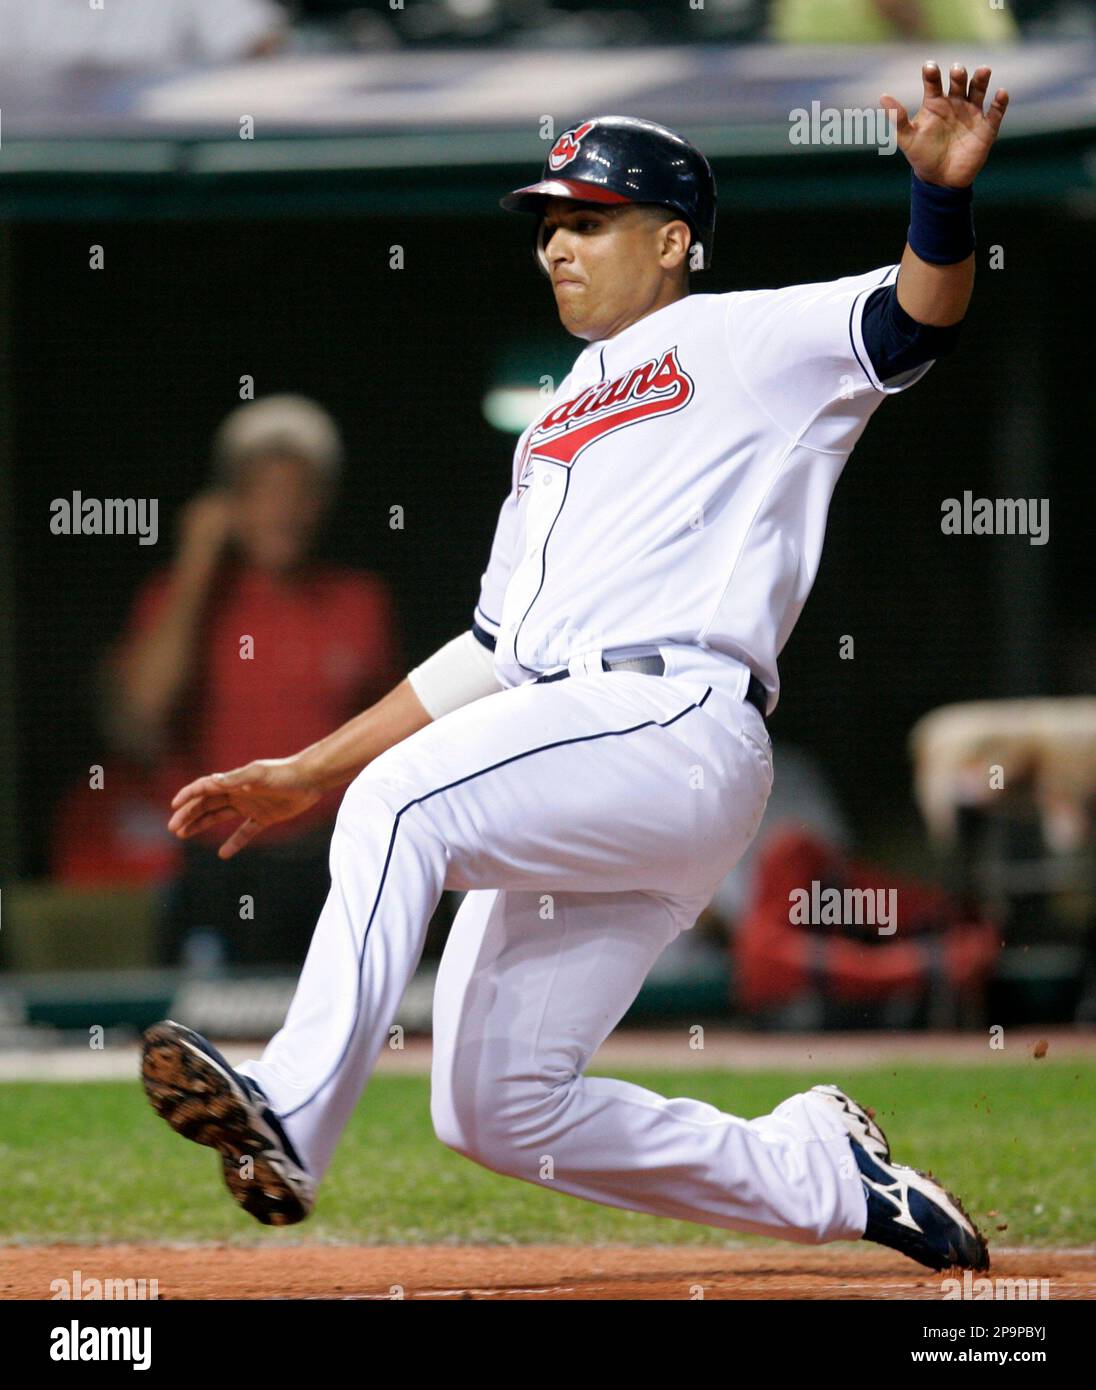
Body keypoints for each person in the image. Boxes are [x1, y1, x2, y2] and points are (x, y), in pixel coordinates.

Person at [142, 65, 1008, 1273]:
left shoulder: (738, 336)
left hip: (673, 719)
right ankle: (822, 1170)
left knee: (409, 801)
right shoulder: (550, 426)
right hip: (585, 749)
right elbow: (492, 654)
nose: (556, 243)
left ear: (670, 241)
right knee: (495, 1109)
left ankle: (289, 1105)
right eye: (549, 223)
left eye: (586, 220)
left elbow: (916, 318)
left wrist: (938, 202)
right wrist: (309, 769)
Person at [106, 395, 402, 966]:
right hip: (215, 868)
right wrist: (196, 560)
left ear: (323, 503)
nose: (283, 509)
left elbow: (396, 738)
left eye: (300, 492)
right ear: (229, 502)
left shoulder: (359, 601)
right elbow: (141, 712)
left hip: (331, 864)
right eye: (264, 491)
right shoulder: (177, 597)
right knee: (202, 1044)